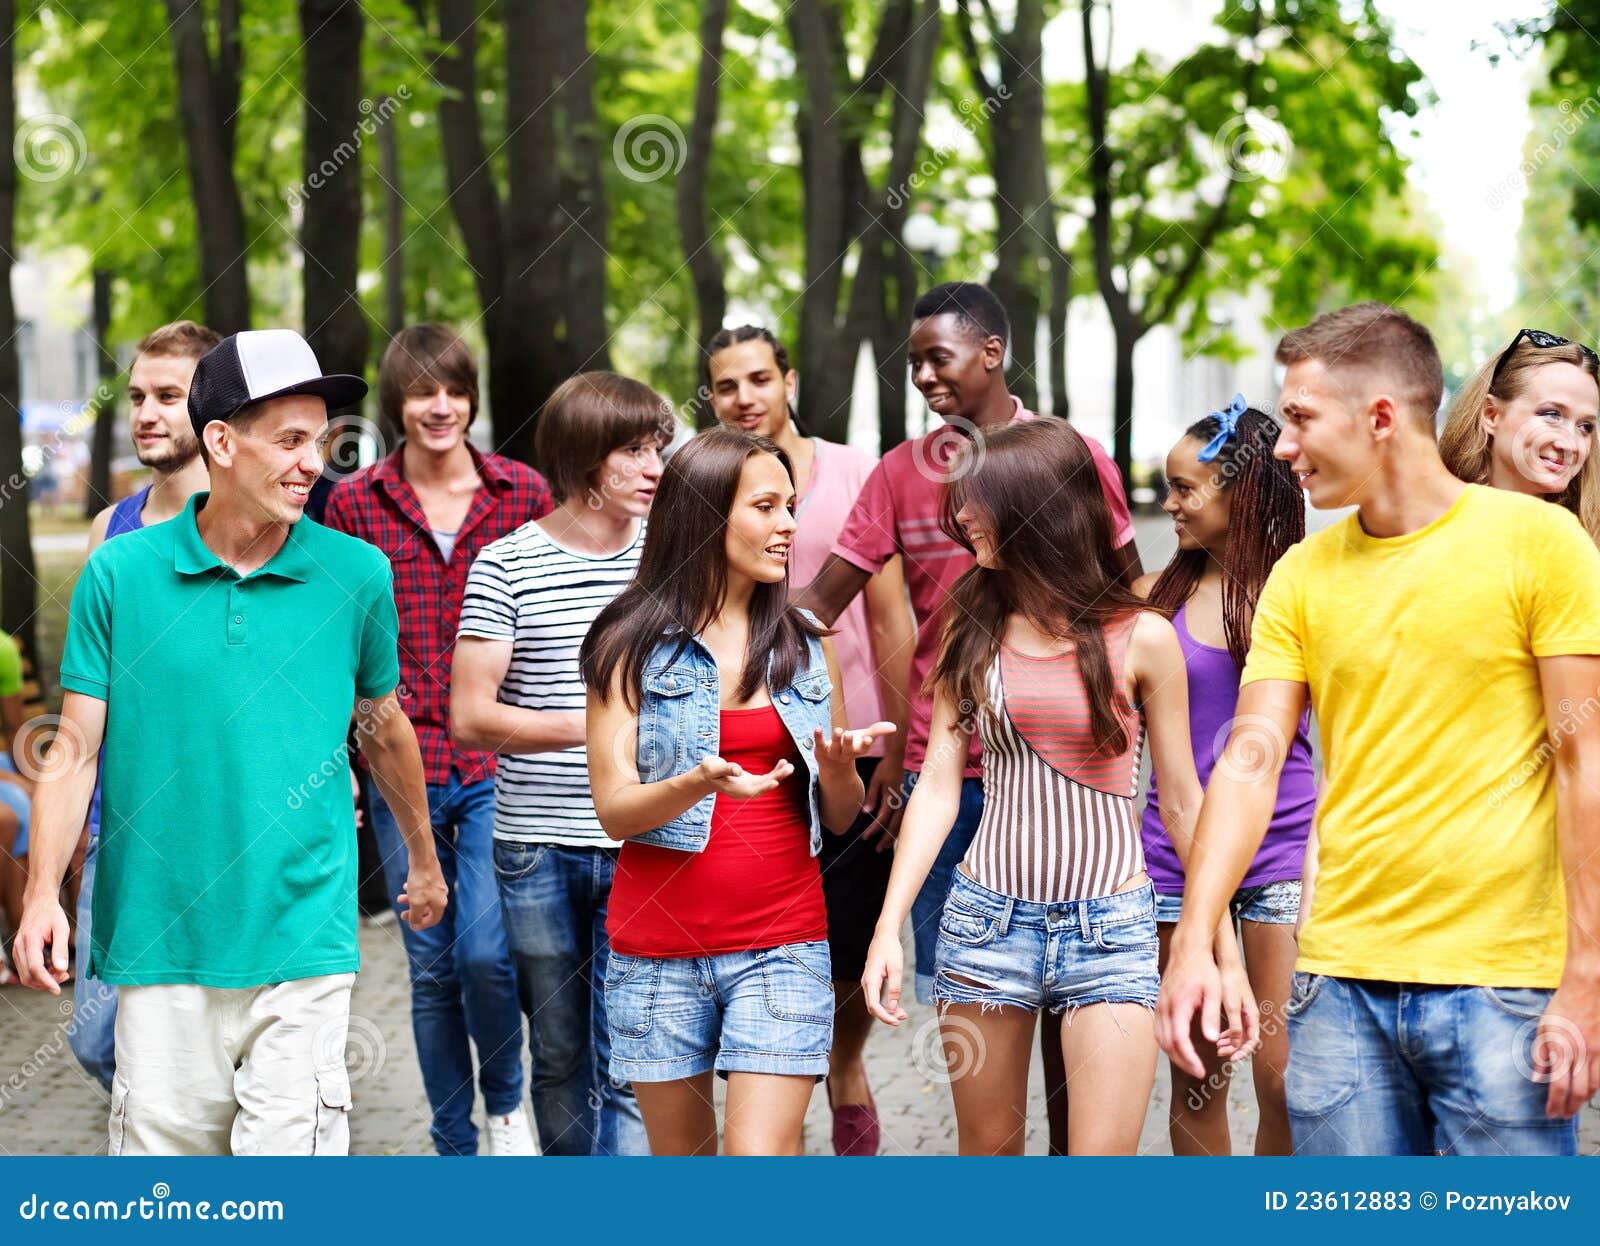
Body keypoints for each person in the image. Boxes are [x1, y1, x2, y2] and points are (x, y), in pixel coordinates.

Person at [1158, 302, 1600, 1156]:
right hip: (1338, 991)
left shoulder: (1541, 544)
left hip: (1502, 988)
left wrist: (1586, 973)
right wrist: (1193, 942)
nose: (1282, 448)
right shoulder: (1302, 575)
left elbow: (1586, 765)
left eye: (1299, 420)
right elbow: (1247, 765)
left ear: (1382, 418)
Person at [13, 329, 448, 1156]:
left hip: (303, 937)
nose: (312, 462)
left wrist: (420, 859)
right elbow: (71, 749)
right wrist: (40, 896)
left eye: (318, 441)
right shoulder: (120, 573)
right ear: (220, 441)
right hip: (156, 938)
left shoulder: (355, 574)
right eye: (288, 441)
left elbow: (384, 728)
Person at [797, 281, 1138, 1150]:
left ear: (990, 352)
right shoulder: (900, 473)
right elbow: (822, 602)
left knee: (1081, 1042)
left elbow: (1128, 596)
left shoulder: (1071, 457)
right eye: (911, 362)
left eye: (935, 357)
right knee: (978, 1020)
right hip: (943, 776)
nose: (922, 376)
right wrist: (711, 612)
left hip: (1067, 770)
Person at [859, 417, 1248, 1154]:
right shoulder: (971, 623)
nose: (963, 518)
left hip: (1112, 930)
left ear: (1039, 511)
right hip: (986, 927)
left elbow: (1184, 803)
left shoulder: (1143, 637)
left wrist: (1218, 951)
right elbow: (937, 788)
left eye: (979, 503)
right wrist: (889, 929)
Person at [582, 428, 894, 1155]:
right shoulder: (625, 644)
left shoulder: (802, 640)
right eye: (766, 507)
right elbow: (614, 809)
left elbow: (840, 815)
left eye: (791, 505)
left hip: (780, 943)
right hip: (656, 951)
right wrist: (696, 781)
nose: (789, 525)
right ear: (704, 514)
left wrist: (842, 767)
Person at [323, 323, 550, 1157]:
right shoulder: (355, 503)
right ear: (397, 405)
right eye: (422, 392)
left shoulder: (522, 492)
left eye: (454, 390)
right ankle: (453, 1143)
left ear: (472, 399)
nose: (440, 407)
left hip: (499, 761)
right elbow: (341, 642)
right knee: (431, 966)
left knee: (488, 952)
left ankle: (505, 1108)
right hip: (399, 762)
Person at [705, 325, 914, 1155]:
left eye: (760, 378)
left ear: (789, 379)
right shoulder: (708, 481)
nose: (745, 398)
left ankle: (847, 1064)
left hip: (849, 743)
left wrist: (896, 759)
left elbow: (892, 618)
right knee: (782, 926)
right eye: (726, 386)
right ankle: (777, 1096)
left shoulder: (854, 473)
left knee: (851, 932)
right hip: (750, 749)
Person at [452, 371, 669, 1156]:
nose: (654, 468)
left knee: (631, 1058)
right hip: (537, 846)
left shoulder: (670, 563)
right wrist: (597, 727)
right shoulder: (505, 565)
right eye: (634, 452)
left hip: (645, 842)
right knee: (560, 1053)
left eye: (658, 449)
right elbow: (471, 716)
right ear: (584, 461)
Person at [1133, 395, 1311, 1155]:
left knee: (1281, 1078)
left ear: (1241, 493)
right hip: (1174, 859)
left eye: (1184, 489)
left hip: (1278, 853)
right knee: (1198, 1074)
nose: (1168, 503)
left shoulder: (1300, 596)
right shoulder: (1152, 599)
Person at [67, 320, 219, 1085]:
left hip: (222, 825)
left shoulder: (253, 528)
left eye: (168, 396)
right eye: (136, 397)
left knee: (208, 1026)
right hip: (120, 826)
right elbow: (89, 694)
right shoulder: (111, 530)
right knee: (95, 1039)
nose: (145, 414)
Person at [1438, 327, 1600, 542]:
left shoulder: (1584, 541)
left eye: (1585, 426)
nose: (1571, 445)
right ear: (1492, 415)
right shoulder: (1429, 525)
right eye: (1552, 415)